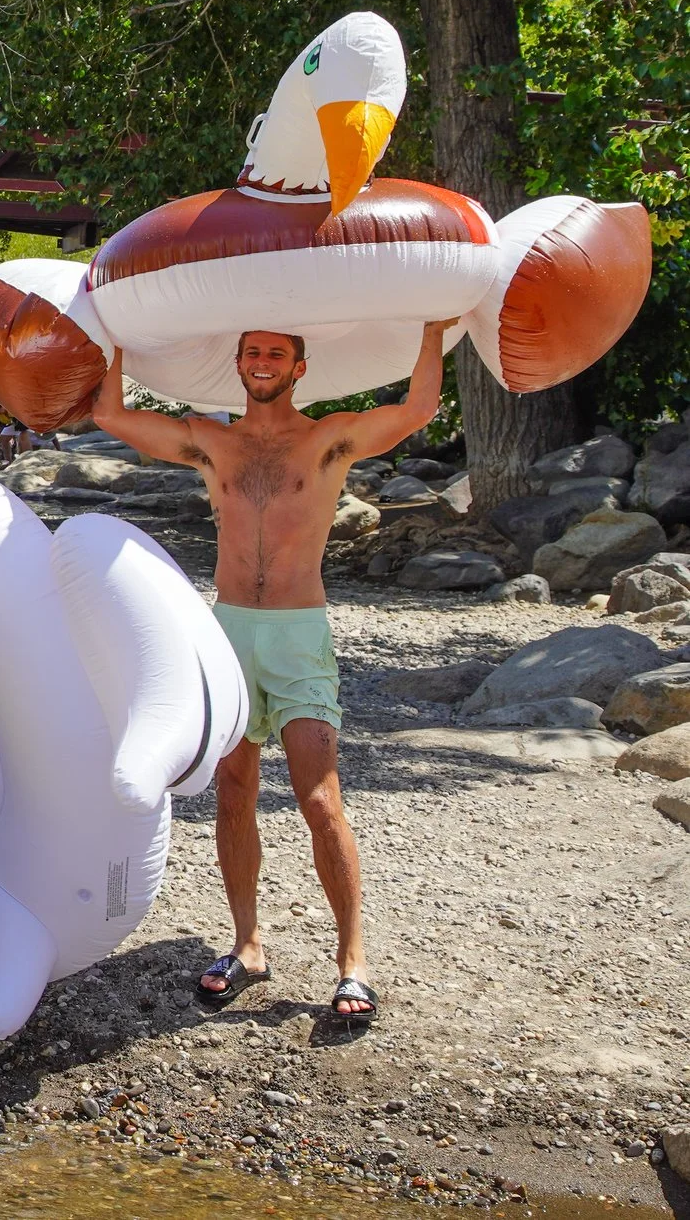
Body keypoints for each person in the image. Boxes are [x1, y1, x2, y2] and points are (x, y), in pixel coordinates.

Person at [92, 322, 451, 1028]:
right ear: (240, 363)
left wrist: (434, 325)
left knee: (319, 798)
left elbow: (415, 410)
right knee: (234, 791)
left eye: (275, 354)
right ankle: (247, 944)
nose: (262, 363)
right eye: (253, 353)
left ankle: (353, 961)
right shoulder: (211, 441)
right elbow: (110, 416)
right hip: (227, 631)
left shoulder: (327, 439)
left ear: (299, 366)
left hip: (296, 634)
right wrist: (118, 339)